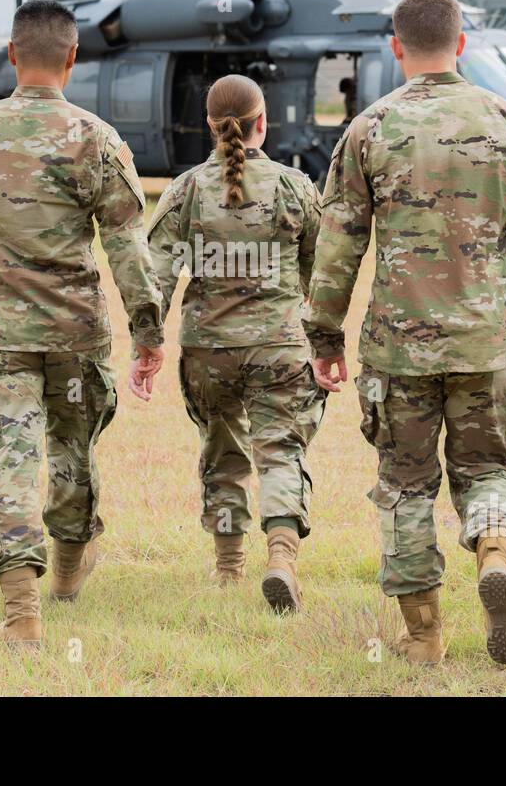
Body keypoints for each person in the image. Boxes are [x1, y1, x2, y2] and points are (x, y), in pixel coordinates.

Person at [305, 0, 506, 666]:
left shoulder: (370, 129)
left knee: (404, 485)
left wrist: (324, 336)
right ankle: (496, 550)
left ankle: (422, 634)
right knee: (488, 467)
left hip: (398, 352)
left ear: (396, 48)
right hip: (485, 343)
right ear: (463, 44)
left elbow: (337, 247)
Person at [0, 0, 165, 647]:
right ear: (73, 58)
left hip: (2, 336)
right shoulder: (97, 139)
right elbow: (128, 247)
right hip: (77, 336)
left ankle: (22, 613)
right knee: (73, 457)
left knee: (10, 468)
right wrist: (148, 332)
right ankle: (70, 572)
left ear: (13, 53)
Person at [144, 74, 325, 613]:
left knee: (223, 453)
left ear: (208, 126)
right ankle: (281, 557)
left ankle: (228, 566)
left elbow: (156, 277)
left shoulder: (186, 190)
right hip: (280, 348)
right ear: (262, 123)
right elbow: (321, 268)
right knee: (280, 452)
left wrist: (147, 344)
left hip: (209, 353)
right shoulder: (295, 187)